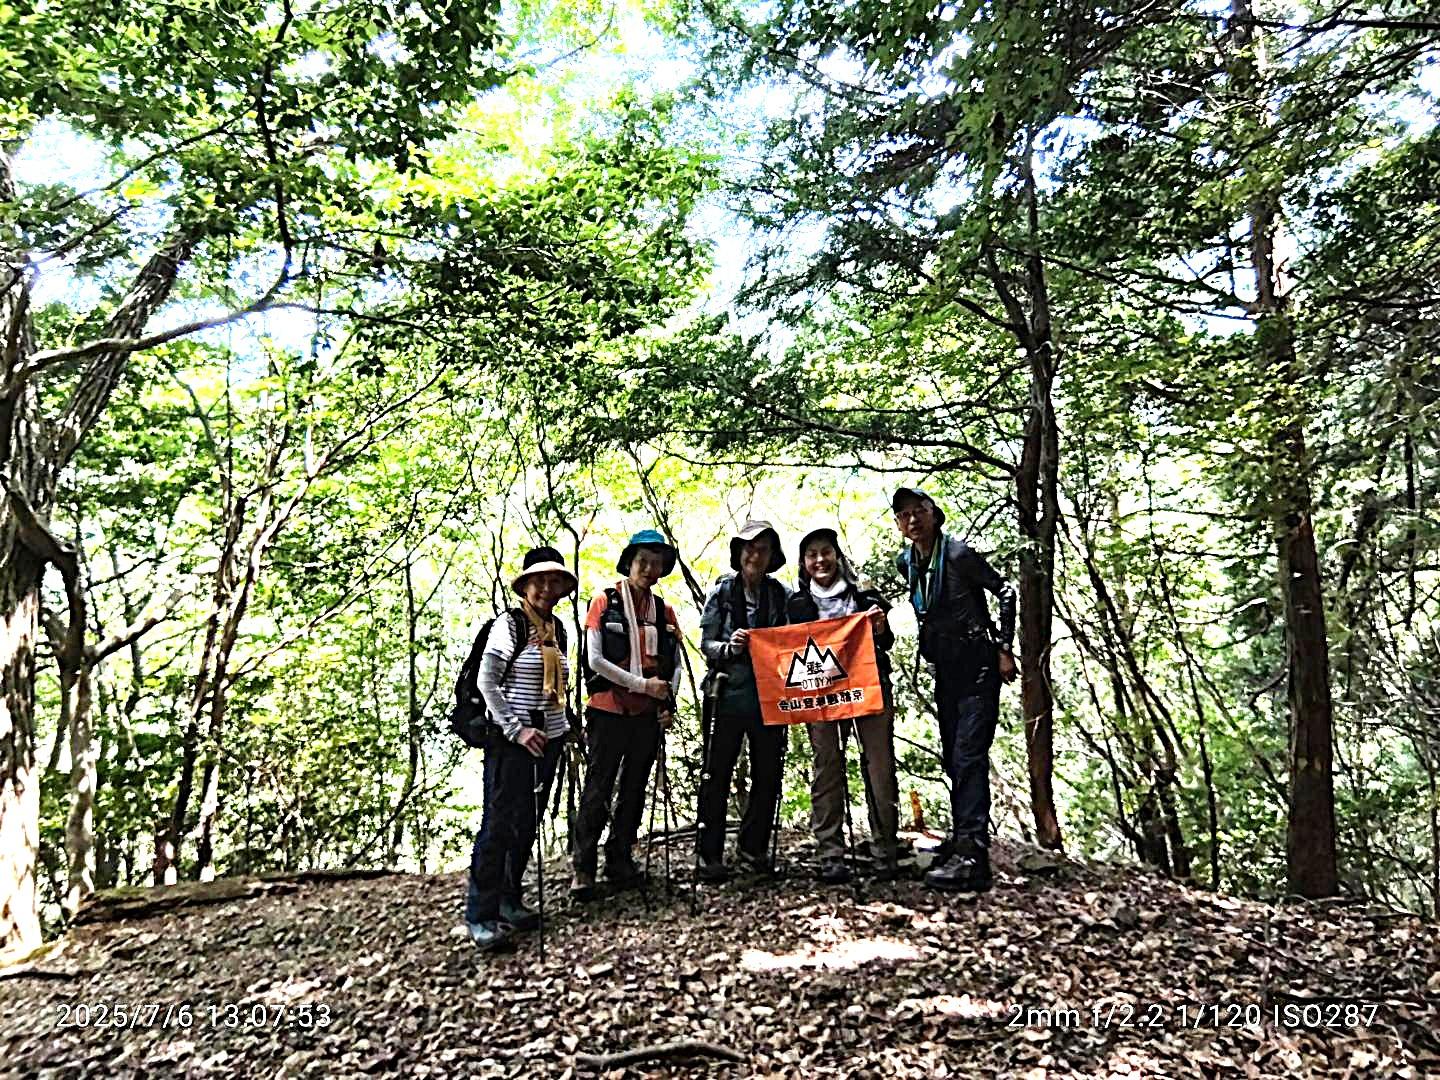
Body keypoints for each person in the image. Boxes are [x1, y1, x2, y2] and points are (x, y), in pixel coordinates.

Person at [892, 488, 1017, 893]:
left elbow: (1006, 591)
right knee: (953, 757)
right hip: (944, 669)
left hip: (978, 665)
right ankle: (963, 839)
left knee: (968, 756)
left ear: (934, 515)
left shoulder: (959, 554)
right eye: (904, 514)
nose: (912, 519)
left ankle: (974, 858)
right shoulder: (907, 562)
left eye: (919, 511)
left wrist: (1004, 648)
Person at [464, 546, 576, 951]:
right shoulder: (508, 626)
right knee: (498, 824)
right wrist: (516, 729)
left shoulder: (556, 629)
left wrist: (563, 729)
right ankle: (482, 914)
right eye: (540, 580)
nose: (548, 587)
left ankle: (510, 900)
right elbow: (487, 683)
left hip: (549, 737)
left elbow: (557, 688)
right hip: (513, 740)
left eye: (555, 581)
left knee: (527, 822)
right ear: (526, 584)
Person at [571, 529, 684, 899]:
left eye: (657, 563)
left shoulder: (664, 611)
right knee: (598, 787)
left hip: (648, 715)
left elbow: (676, 664)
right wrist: (640, 685)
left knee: (635, 787)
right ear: (630, 563)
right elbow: (595, 659)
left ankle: (620, 859)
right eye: (643, 562)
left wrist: (666, 701)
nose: (650, 569)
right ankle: (583, 867)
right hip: (608, 710)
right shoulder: (604, 601)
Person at [787, 528, 900, 884]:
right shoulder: (797, 603)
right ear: (804, 564)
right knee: (827, 766)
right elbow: (788, 650)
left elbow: (888, 641)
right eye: (812, 555)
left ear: (837, 555)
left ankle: (886, 849)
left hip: (870, 688)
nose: (820, 560)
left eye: (826, 552)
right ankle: (830, 852)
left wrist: (879, 627)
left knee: (879, 766)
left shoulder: (864, 594)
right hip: (818, 693)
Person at [695, 520, 790, 881]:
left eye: (763, 549)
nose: (755, 555)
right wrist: (728, 647)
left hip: (769, 696)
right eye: (749, 548)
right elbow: (707, 643)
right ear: (739, 553)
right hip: (726, 692)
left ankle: (754, 848)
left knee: (768, 773)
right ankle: (710, 853)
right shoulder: (721, 593)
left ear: (771, 556)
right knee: (716, 772)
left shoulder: (778, 594)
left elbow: (788, 641)